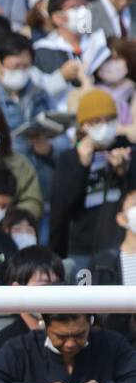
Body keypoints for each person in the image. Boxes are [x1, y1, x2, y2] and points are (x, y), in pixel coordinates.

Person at [0, 311, 136, 383]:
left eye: (79, 335)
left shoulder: (113, 344)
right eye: (61, 336)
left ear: (90, 322)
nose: (70, 344)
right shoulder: (20, 347)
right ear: (45, 325)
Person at [49, 88, 133, 270]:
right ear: (84, 125)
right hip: (81, 249)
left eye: (109, 119)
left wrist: (122, 172)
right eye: (96, 121)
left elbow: (131, 199)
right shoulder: (69, 158)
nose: (104, 125)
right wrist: (82, 166)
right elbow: (62, 207)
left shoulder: (127, 150)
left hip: (117, 246)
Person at [0, 246, 64, 368]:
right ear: (17, 289)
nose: (53, 292)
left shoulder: (76, 339)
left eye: (58, 285)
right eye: (44, 285)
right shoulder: (2, 347)